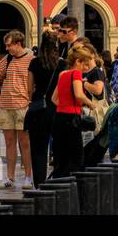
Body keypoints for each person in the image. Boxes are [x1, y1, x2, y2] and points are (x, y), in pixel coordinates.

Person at [0, 30, 34, 189]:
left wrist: (29, 100)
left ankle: (28, 177)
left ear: (18, 43)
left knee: (25, 143)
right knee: (9, 143)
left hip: (23, 106)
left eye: (9, 45)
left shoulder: (30, 60)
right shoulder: (6, 60)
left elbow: (32, 84)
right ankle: (10, 178)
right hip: (6, 106)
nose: (7, 49)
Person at [50, 45, 94, 178]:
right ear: (77, 62)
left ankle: (57, 183)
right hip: (71, 118)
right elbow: (79, 94)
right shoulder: (76, 74)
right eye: (84, 64)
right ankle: (69, 186)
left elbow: (54, 98)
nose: (86, 68)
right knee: (77, 157)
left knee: (61, 156)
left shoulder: (62, 74)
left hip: (59, 116)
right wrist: (90, 104)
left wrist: (65, 105)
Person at [25, 29, 61, 188]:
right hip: (57, 110)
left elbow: (28, 89)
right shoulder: (62, 63)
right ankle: (58, 180)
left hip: (38, 109)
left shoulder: (34, 62)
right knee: (59, 147)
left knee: (38, 151)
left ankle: (39, 184)